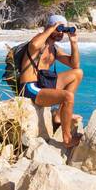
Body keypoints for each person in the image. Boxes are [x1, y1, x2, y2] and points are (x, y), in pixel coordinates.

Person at [16, 14, 84, 148]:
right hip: (30, 88)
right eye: (59, 29)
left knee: (78, 73)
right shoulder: (37, 42)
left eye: (63, 30)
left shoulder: (54, 49)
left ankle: (59, 116)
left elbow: (74, 65)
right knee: (68, 97)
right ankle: (67, 139)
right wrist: (51, 28)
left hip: (44, 84)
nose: (60, 33)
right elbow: (34, 45)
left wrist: (74, 43)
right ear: (50, 27)